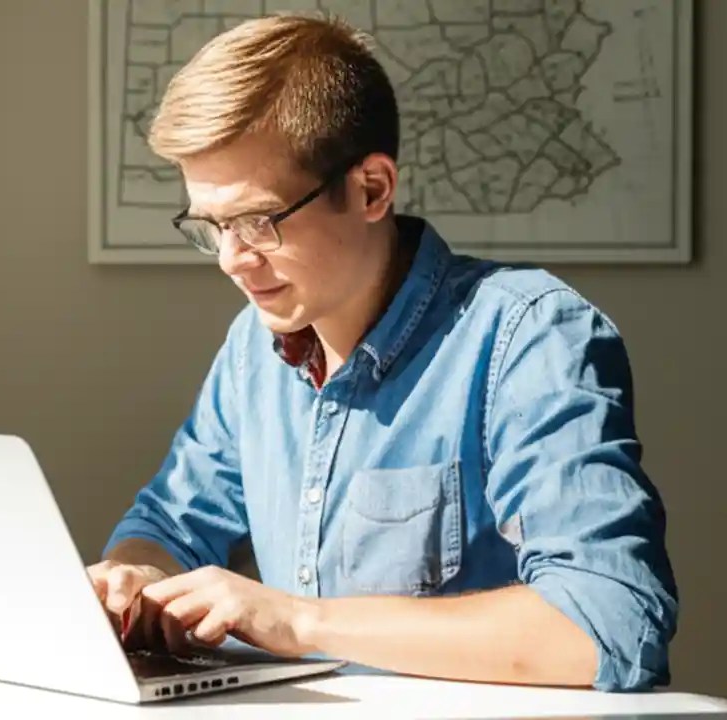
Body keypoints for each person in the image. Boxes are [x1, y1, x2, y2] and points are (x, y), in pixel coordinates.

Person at [87, 15, 676, 692]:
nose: (230, 259)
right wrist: (134, 579)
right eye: (211, 226)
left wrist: (302, 623)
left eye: (258, 221)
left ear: (372, 189)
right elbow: (166, 525)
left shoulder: (530, 335)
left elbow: (608, 626)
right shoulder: (253, 349)